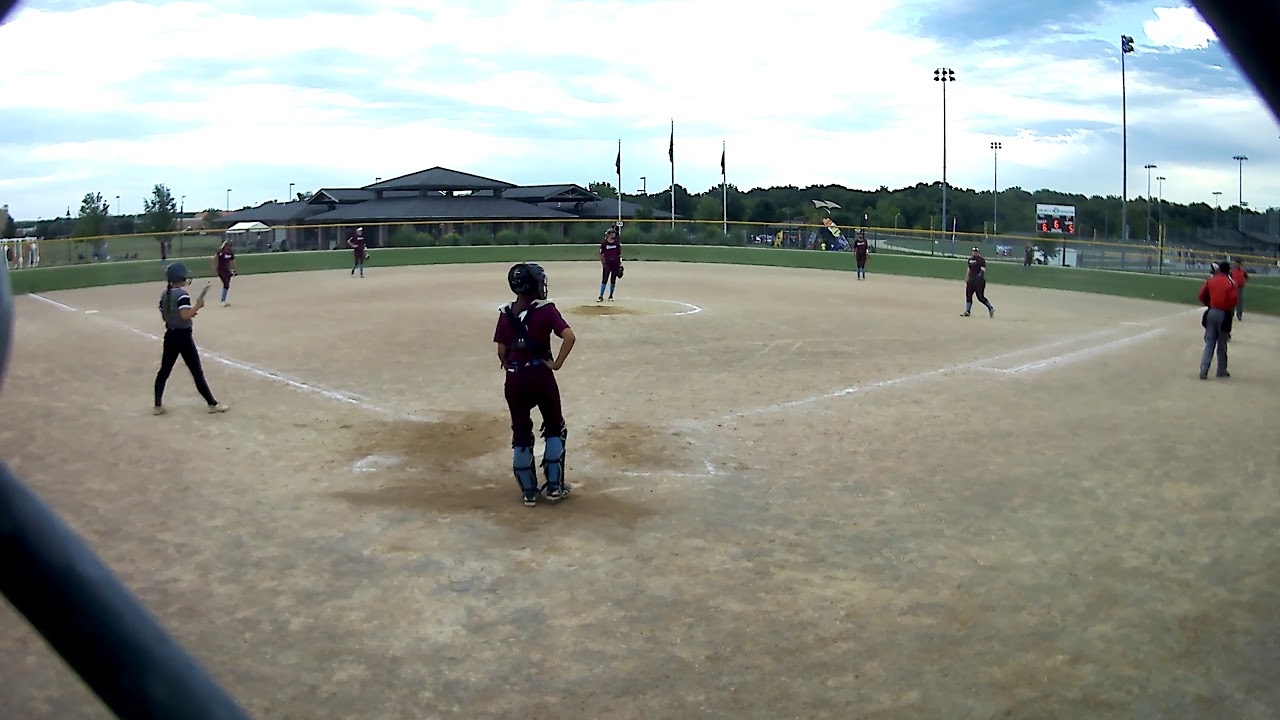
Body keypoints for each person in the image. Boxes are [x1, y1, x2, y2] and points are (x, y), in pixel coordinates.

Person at [494, 263, 577, 507]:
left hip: (514, 379)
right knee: (554, 427)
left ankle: (529, 492)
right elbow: (569, 337)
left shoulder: (505, 312)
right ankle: (554, 487)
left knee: (521, 432)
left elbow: (501, 351)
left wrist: (512, 366)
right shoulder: (546, 310)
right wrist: (557, 364)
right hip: (540, 376)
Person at [154, 262, 229, 415]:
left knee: (165, 370)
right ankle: (212, 403)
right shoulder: (181, 294)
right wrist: (197, 306)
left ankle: (157, 405)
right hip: (183, 336)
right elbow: (185, 315)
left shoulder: (165, 294)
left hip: (170, 335)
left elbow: (166, 316)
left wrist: (184, 314)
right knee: (196, 371)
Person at [1198, 260, 1238, 380]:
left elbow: (1201, 295)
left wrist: (1209, 303)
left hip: (1211, 312)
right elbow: (1233, 300)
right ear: (1229, 270)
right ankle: (1221, 370)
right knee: (1222, 344)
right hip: (1224, 314)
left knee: (1209, 343)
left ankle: (1204, 369)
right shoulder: (1231, 282)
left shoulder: (1211, 280)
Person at [962, 246, 995, 317]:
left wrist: (979, 276)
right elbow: (969, 269)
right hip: (971, 280)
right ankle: (967, 311)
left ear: (978, 252)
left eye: (976, 251)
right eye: (973, 251)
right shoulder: (970, 260)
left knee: (980, 297)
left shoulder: (981, 260)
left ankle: (990, 308)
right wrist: (967, 277)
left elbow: (982, 269)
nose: (974, 253)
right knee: (968, 295)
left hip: (979, 281)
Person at [598, 225, 623, 302]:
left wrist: (620, 264)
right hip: (607, 263)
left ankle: (611, 296)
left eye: (614, 233)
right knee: (604, 279)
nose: (614, 235)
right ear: (608, 234)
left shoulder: (616, 244)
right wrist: (603, 263)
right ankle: (601, 296)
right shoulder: (604, 244)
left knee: (613, 279)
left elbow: (619, 255)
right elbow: (601, 255)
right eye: (612, 233)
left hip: (615, 263)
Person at [212, 239, 237, 306]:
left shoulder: (230, 252)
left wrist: (235, 269)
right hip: (221, 270)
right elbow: (214, 258)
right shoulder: (221, 252)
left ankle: (223, 300)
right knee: (226, 283)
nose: (229, 247)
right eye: (228, 246)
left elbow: (232, 261)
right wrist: (214, 267)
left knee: (227, 285)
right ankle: (223, 300)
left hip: (227, 270)